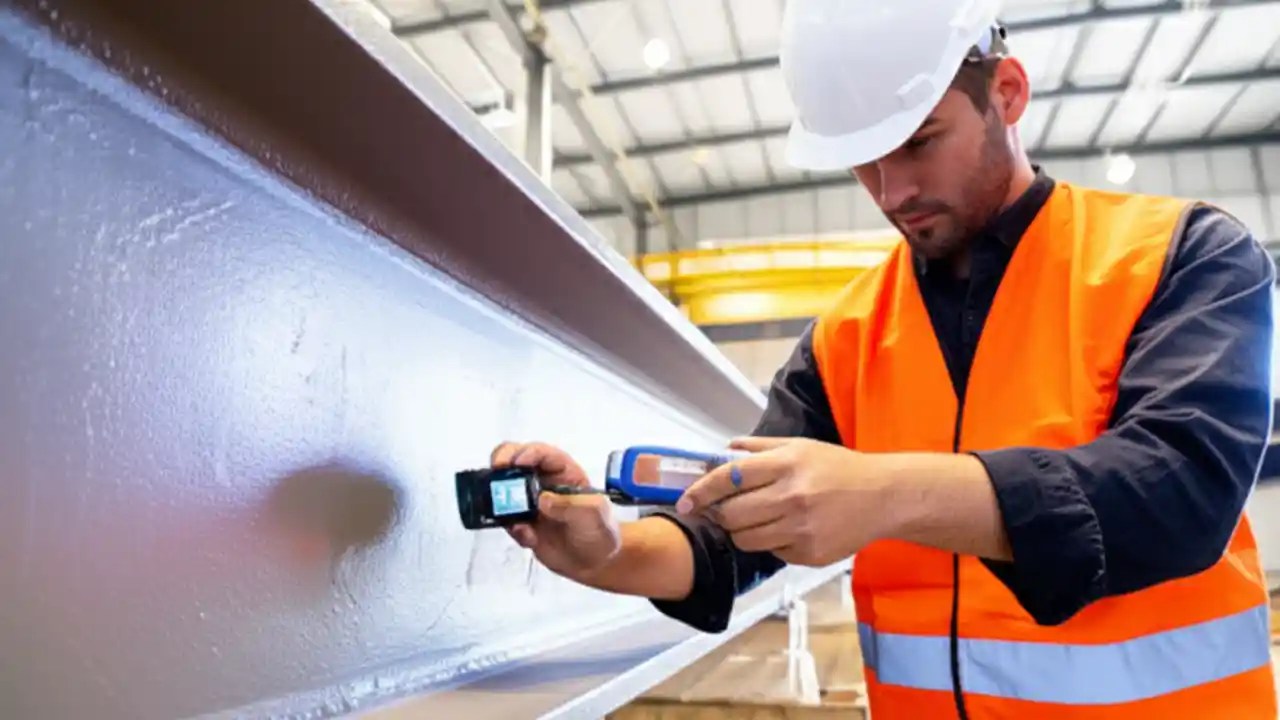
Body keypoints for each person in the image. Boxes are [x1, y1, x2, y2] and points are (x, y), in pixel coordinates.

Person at [489, 0, 1278, 716]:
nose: (891, 190)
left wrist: (885, 493)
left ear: (1006, 92)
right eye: (863, 160)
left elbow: (1180, 490)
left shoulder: (1181, 254)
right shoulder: (848, 335)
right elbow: (731, 538)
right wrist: (611, 553)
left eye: (917, 143)